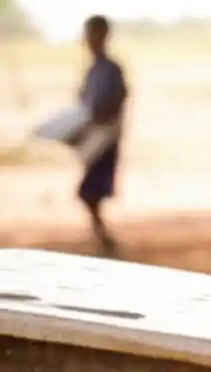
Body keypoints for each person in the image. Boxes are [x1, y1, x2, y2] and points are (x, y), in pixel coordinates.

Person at [77, 15, 128, 255]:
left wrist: (99, 116)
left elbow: (117, 99)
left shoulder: (111, 70)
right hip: (93, 137)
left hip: (105, 137)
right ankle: (102, 234)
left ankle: (103, 236)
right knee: (91, 190)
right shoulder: (94, 70)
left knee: (90, 189)